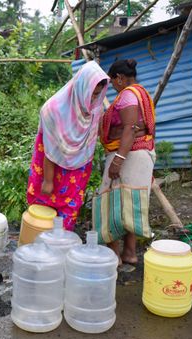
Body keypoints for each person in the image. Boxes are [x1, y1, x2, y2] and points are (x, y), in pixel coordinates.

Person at [27, 61, 109, 230]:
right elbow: (49, 148)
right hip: (49, 169)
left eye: (98, 94)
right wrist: (48, 180)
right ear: (81, 87)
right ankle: (38, 252)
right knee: (42, 214)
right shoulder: (53, 109)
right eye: (92, 94)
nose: (94, 99)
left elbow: (93, 140)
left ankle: (61, 250)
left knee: (68, 214)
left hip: (76, 172)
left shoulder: (94, 109)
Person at [100, 59, 156, 266]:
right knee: (132, 203)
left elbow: (130, 129)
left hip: (128, 155)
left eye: (113, 82)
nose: (113, 87)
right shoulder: (138, 93)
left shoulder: (128, 96)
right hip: (138, 154)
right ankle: (129, 253)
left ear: (120, 78)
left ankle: (114, 256)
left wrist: (118, 161)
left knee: (109, 201)